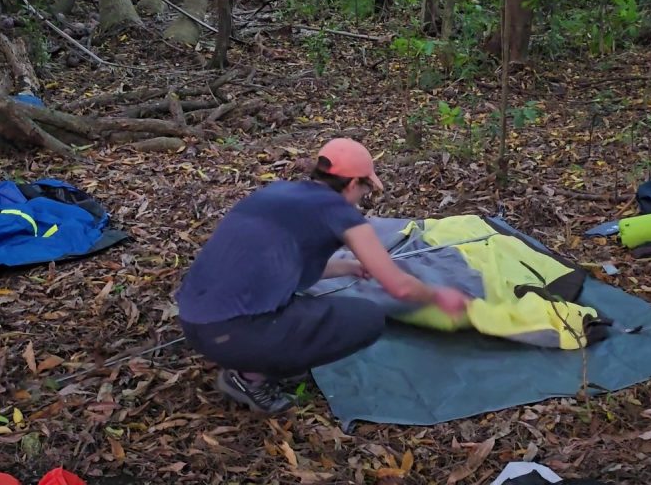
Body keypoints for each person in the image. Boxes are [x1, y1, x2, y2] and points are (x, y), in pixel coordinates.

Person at [175, 137, 471, 414]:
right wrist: (439, 295)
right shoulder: (340, 213)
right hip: (235, 334)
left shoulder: (276, 192)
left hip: (194, 323)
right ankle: (249, 376)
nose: (363, 197)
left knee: (304, 302)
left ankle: (260, 354)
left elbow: (278, 263)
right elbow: (400, 287)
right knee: (366, 317)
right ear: (355, 182)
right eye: (366, 189)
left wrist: (349, 266)